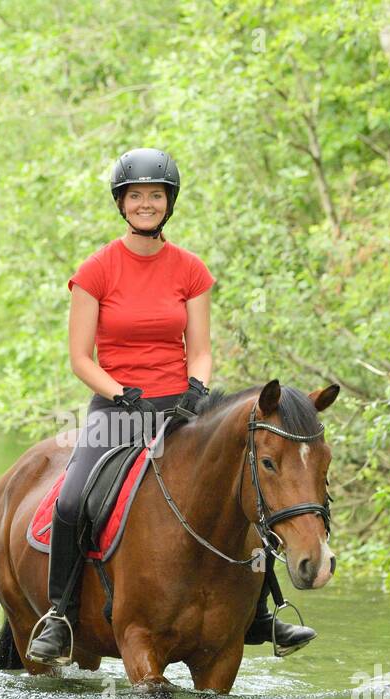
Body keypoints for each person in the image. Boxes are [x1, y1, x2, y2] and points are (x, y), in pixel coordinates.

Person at [25, 148, 317, 666]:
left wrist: (197, 389)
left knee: (246, 486)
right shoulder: (95, 271)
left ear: (168, 203)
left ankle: (260, 614)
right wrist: (120, 393)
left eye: (154, 195)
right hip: (117, 409)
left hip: (182, 409)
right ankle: (60, 614)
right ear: (121, 203)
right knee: (72, 503)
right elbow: (79, 357)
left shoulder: (190, 269)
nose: (145, 204)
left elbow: (200, 348)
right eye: (135, 195)